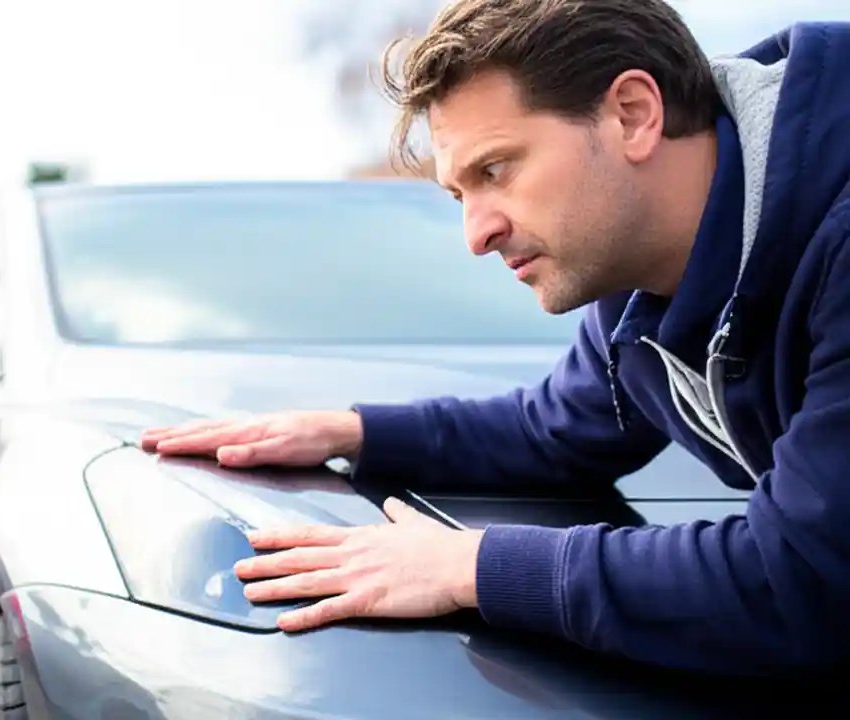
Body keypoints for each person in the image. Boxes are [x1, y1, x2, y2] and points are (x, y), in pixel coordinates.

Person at [141, 0, 850, 676]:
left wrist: (466, 567)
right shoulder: (639, 288)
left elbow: (804, 581)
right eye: (460, 195)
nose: (477, 234)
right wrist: (351, 432)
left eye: (497, 170)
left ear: (633, 115)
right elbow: (556, 430)